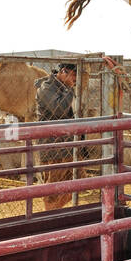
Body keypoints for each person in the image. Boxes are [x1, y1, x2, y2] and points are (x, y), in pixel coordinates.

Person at [34, 63, 78, 209]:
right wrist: (71, 90)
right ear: (63, 72)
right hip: (52, 145)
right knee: (53, 188)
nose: (75, 79)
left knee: (77, 183)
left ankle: (54, 214)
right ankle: (50, 217)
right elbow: (58, 109)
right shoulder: (46, 88)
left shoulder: (63, 88)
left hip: (66, 144)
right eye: (73, 75)